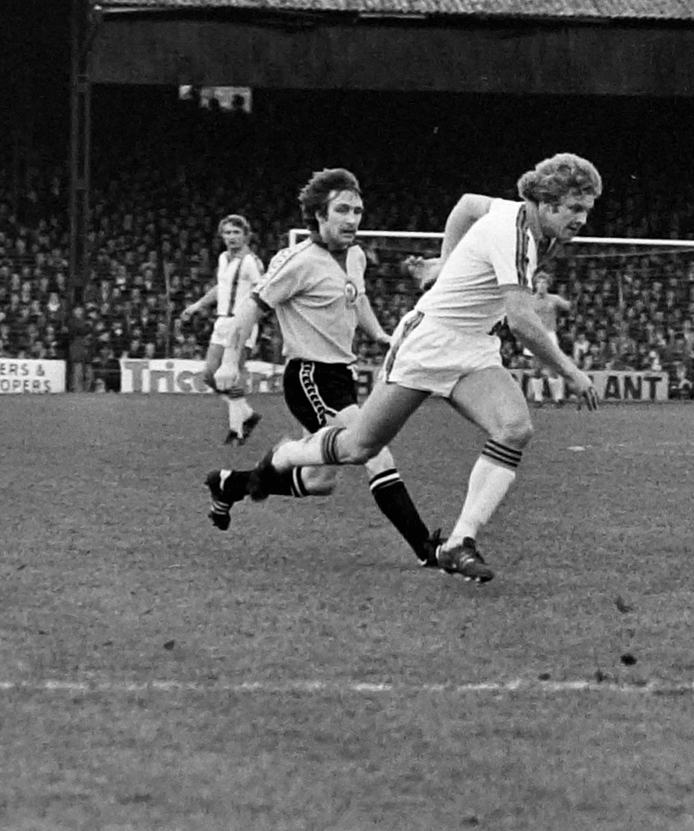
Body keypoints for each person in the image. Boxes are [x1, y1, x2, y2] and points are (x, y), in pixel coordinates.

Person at [212, 154, 605, 584]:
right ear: (546, 202)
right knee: (361, 448)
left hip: (474, 347)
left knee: (514, 427)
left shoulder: (533, 225)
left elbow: (466, 204)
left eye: (587, 209)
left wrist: (445, 264)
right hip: (427, 344)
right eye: (575, 208)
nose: (583, 219)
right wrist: (571, 372)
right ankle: (288, 454)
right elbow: (521, 322)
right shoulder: (512, 231)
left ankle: (459, 542)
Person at [202, 170, 437, 566]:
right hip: (310, 376)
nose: (352, 219)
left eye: (357, 211)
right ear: (319, 215)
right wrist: (228, 361)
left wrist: (380, 335)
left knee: (318, 480)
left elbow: (358, 299)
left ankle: (229, 484)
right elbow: (249, 309)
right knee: (374, 451)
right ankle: (427, 549)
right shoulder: (297, 262)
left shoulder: (356, 256)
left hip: (340, 377)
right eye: (342, 210)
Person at [181, 214, 266, 444]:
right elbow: (222, 287)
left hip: (241, 323)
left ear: (246, 235)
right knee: (210, 375)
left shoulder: (251, 262)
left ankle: (236, 431)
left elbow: (264, 290)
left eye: (236, 232)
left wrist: (250, 321)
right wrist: (198, 305)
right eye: (227, 233)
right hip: (222, 322)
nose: (231, 237)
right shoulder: (223, 258)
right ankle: (247, 414)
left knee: (231, 375)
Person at [526, 270, 573, 406]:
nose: (541, 285)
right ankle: (538, 399)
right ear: (535, 285)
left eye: (544, 282)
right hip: (535, 334)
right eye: (539, 282)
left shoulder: (554, 299)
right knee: (536, 368)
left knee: (552, 367)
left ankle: (558, 398)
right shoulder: (529, 300)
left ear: (548, 285)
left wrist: (570, 299)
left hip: (550, 334)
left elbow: (568, 306)